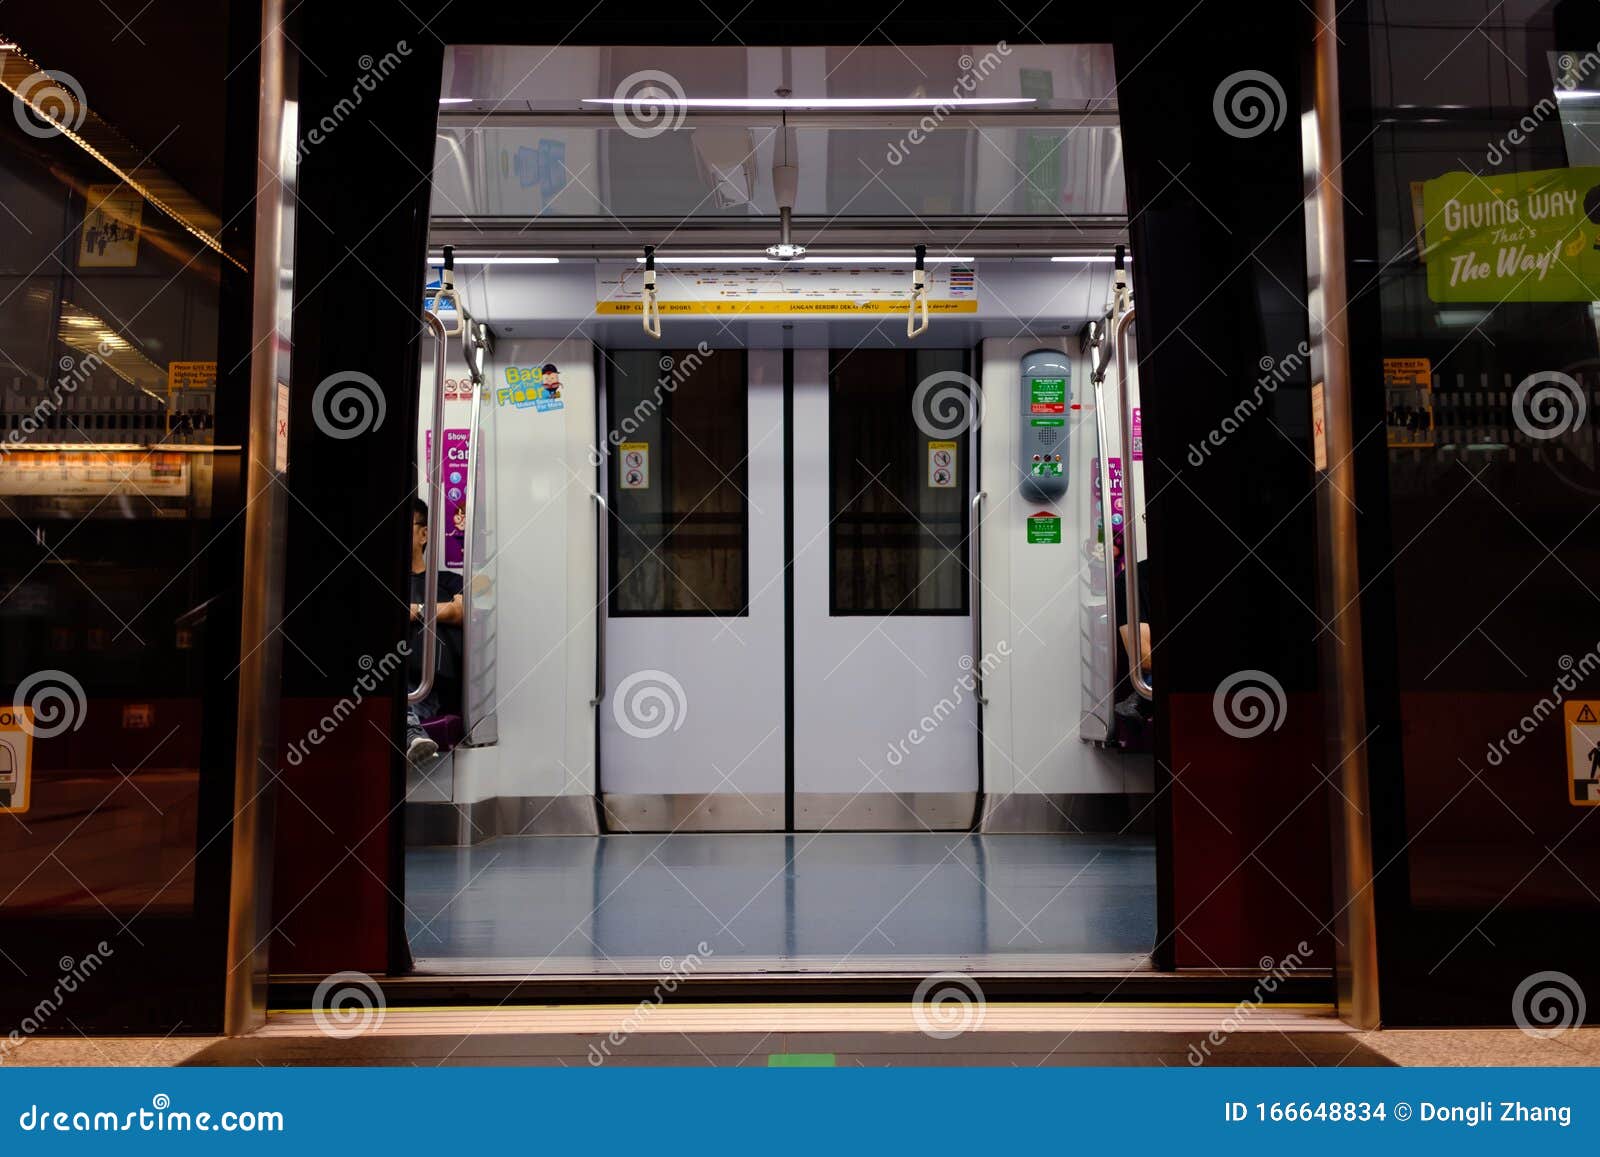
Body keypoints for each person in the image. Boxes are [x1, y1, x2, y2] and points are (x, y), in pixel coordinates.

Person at [404, 496, 466, 767]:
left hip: (429, 684)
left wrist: (416, 610)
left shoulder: (448, 581)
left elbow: (460, 611)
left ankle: (412, 731)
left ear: (424, 534)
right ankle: (413, 733)